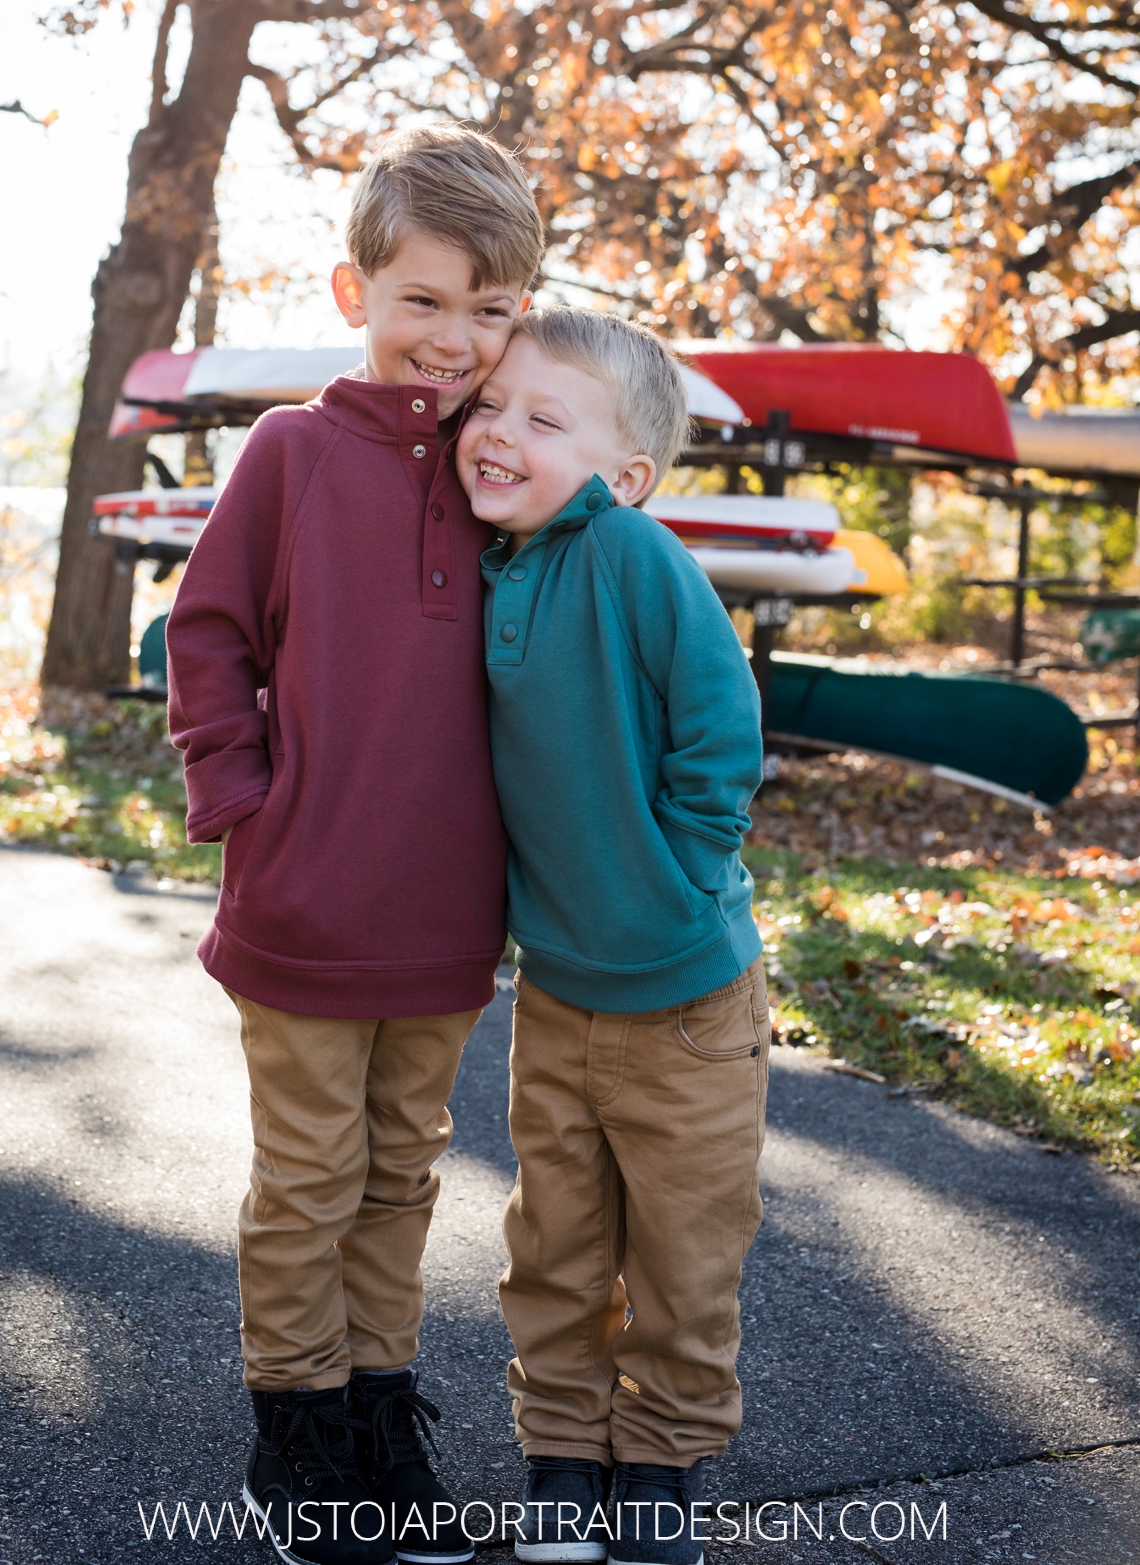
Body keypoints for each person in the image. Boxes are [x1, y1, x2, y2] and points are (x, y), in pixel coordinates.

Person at [166, 124, 544, 1565]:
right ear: (356, 294)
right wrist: (243, 797)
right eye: (425, 301)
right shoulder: (290, 453)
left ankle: (383, 1431)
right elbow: (202, 632)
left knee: (405, 1175)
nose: (454, 340)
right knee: (311, 1178)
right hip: (305, 901)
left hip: (450, 916)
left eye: (490, 309)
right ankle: (303, 1452)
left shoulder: (510, 473)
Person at [455, 308, 768, 1565]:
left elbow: (721, 726)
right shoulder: (476, 564)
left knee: (687, 1256)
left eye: (544, 420)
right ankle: (564, 1462)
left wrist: (684, 876)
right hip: (561, 995)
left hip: (687, 995)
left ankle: (661, 1467)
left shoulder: (635, 555)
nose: (498, 433)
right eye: (492, 406)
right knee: (555, 1244)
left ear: (624, 476)